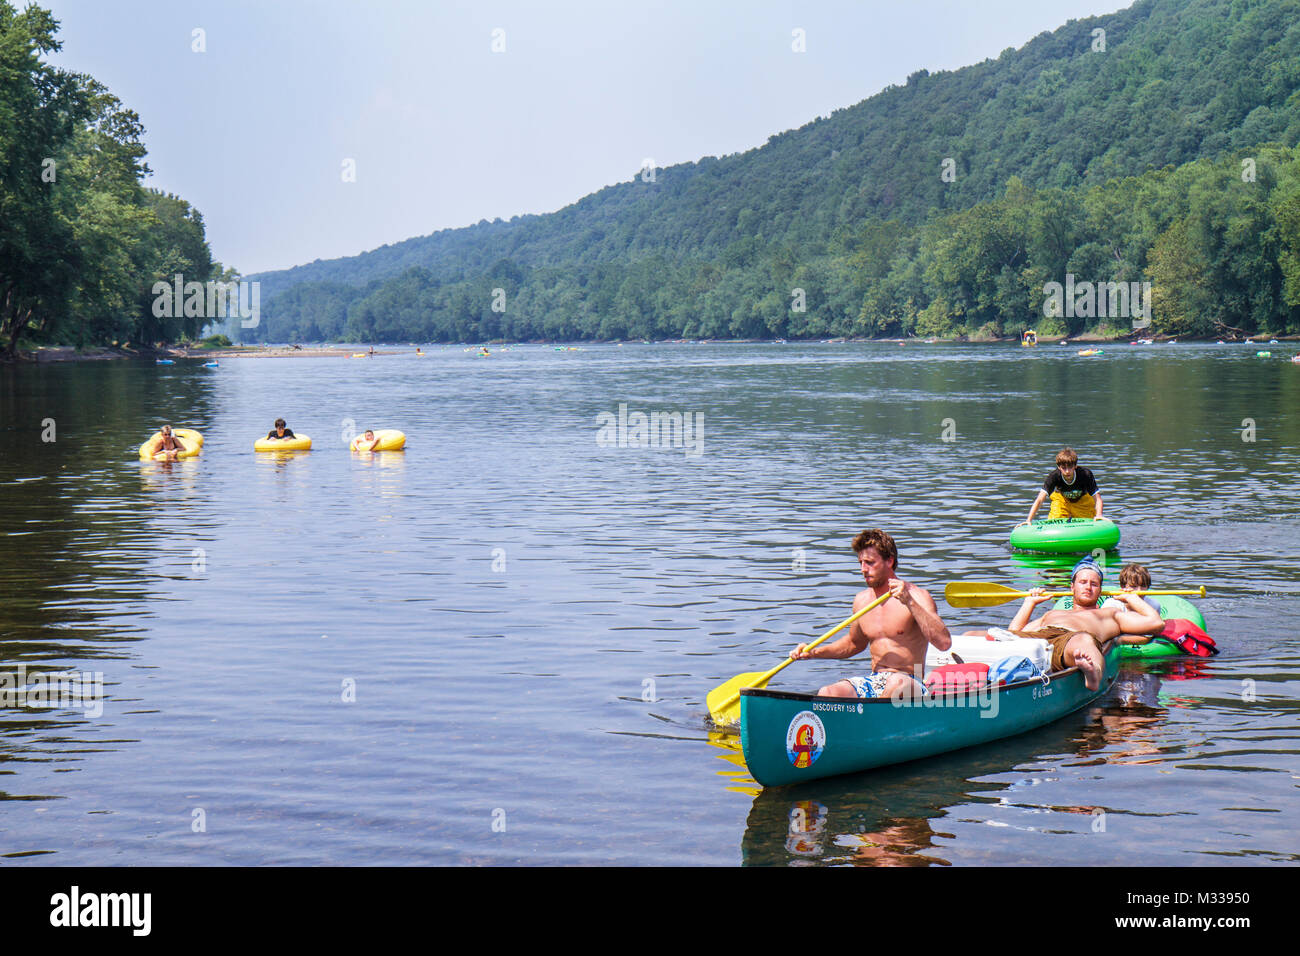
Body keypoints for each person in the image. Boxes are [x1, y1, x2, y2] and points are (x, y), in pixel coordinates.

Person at [788, 529, 951, 700]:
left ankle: (872, 720)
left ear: (889, 561)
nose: (863, 569)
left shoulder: (917, 596)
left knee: (896, 683)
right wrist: (812, 652)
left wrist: (909, 602)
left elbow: (944, 643)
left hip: (911, 682)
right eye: (860, 563)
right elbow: (853, 644)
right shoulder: (861, 600)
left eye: (869, 562)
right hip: (875, 680)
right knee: (828, 692)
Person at [1000, 557, 1164, 690]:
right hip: (1041, 637)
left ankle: (1094, 673)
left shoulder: (1110, 614)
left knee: (1083, 641)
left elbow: (1156, 623)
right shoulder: (1052, 613)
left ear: (1100, 590)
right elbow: (1013, 633)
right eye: (1083, 582)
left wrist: (1132, 598)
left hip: (1072, 642)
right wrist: (1029, 603)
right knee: (979, 636)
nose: (1088, 587)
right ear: (1072, 587)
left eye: (1094, 584)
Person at [1021, 447, 1102, 523]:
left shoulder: (1085, 474)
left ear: (1075, 466)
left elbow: (1097, 499)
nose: (1067, 471)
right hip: (1062, 500)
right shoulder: (1054, 476)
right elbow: (1039, 500)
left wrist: (1099, 516)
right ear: (1059, 467)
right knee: (1054, 520)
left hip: (1082, 501)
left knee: (1088, 522)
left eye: (1070, 467)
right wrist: (1028, 520)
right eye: (1064, 468)